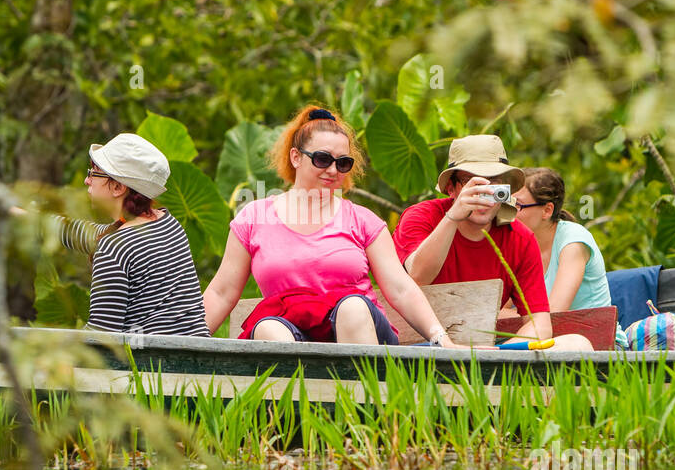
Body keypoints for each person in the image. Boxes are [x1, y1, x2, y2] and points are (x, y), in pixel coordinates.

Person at [203, 106, 463, 348]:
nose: (332, 170)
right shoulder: (254, 217)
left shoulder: (362, 220)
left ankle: (364, 397)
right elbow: (222, 292)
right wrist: (181, 345)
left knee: (351, 307)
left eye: (343, 163)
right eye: (322, 159)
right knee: (268, 328)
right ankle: (303, 397)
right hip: (293, 331)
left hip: (359, 332)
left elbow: (400, 288)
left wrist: (440, 337)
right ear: (296, 157)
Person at [393, 135, 593, 351]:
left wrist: (495, 355)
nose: (484, 193)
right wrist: (452, 217)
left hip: (485, 349)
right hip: (423, 345)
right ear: (451, 188)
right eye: (473, 183)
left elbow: (540, 325)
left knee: (577, 344)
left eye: (494, 184)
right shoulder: (422, 217)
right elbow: (418, 277)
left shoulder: (520, 237)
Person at [43, 133, 209, 337]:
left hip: (150, 365)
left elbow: (101, 337)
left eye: (94, 173)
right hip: (193, 360)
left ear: (118, 187)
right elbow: (91, 235)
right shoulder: (166, 222)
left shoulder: (115, 247)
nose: (87, 180)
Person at [512, 167, 627, 348]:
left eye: (517, 206)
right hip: (549, 344)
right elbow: (496, 310)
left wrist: (526, 317)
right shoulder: (519, 244)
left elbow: (552, 316)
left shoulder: (573, 242)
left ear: (547, 210)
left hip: (600, 345)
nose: (509, 213)